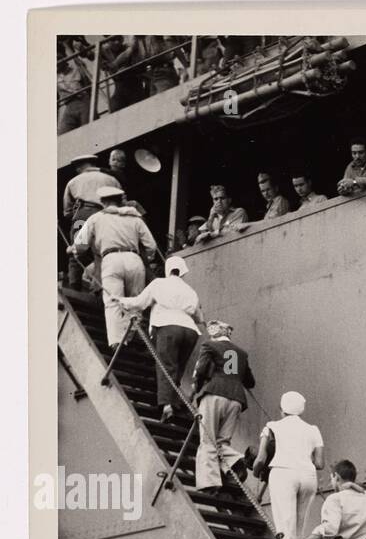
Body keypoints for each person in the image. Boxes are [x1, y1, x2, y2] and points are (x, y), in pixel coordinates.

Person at [252, 391, 324, 539]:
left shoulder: (272, 427)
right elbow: (319, 463)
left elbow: (260, 459)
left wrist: (257, 472)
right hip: (308, 476)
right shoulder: (313, 429)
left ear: (282, 409)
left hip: (283, 474)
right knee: (299, 528)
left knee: (285, 526)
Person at [70, 184, 159, 348]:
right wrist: (148, 257)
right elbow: (151, 245)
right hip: (134, 259)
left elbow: (81, 244)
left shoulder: (96, 218)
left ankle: (116, 341)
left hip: (110, 259)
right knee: (135, 301)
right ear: (120, 202)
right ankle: (133, 336)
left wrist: (73, 250)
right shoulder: (135, 218)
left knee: (112, 301)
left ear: (103, 202)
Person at [118, 255, 204, 421]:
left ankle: (166, 405)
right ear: (182, 272)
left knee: (166, 366)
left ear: (168, 269)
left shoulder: (159, 283)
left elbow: (140, 303)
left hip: (167, 326)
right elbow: (199, 317)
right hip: (190, 331)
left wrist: (121, 301)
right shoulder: (191, 291)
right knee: (177, 368)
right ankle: (176, 403)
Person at [191, 319, 256, 493]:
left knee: (207, 439)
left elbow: (201, 369)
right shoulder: (242, 353)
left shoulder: (209, 346)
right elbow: (250, 382)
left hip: (214, 394)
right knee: (222, 441)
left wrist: (196, 387)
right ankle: (235, 461)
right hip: (236, 399)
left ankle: (210, 482)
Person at [62, 153, 122, 286]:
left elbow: (67, 211)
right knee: (103, 252)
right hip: (105, 217)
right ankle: (100, 288)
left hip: (82, 216)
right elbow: (122, 203)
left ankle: (74, 286)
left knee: (77, 251)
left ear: (79, 167)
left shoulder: (73, 182)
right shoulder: (112, 180)